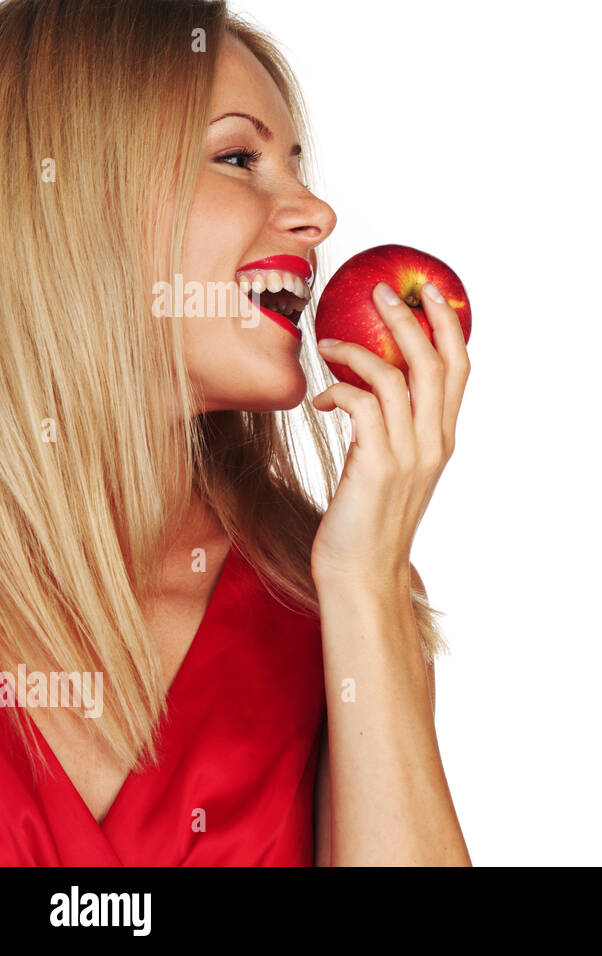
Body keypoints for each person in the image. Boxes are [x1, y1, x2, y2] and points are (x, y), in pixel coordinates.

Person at [0, 0, 471, 865]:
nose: (317, 214)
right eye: (237, 158)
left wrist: (365, 584)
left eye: (294, 164)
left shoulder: (328, 605)